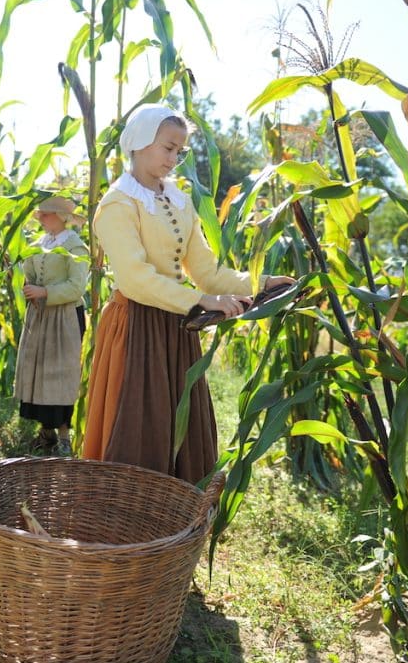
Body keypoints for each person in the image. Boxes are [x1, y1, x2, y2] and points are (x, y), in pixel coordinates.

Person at [81, 104, 294, 484]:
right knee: (138, 427)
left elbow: (209, 273)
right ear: (141, 142)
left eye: (180, 151)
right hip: (136, 328)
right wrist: (198, 301)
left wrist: (261, 282)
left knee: (177, 430)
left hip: (176, 327)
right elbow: (134, 278)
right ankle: (131, 524)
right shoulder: (118, 203)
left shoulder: (179, 200)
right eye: (168, 148)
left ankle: (176, 522)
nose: (174, 158)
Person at [13, 196, 89, 455]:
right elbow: (30, 273)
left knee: (61, 375)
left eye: (46, 214)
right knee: (40, 373)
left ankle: (65, 438)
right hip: (41, 317)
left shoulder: (76, 248)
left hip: (64, 318)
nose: (41, 218)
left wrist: (44, 291)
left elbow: (77, 287)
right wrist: (28, 284)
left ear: (61, 217)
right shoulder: (39, 244)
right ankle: (46, 433)